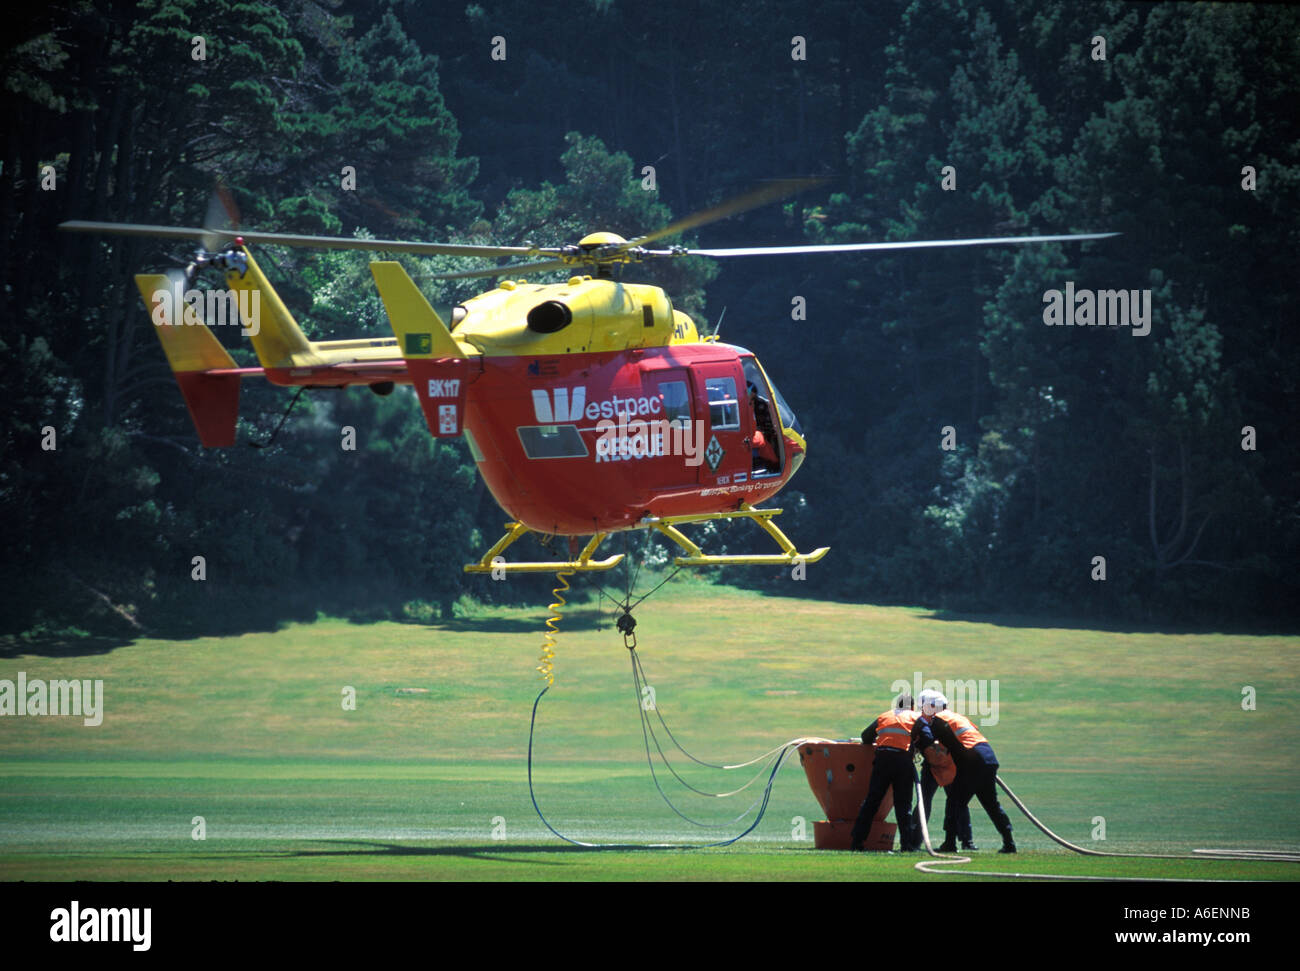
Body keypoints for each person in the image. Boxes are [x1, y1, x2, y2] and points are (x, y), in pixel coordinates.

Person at [926, 699, 1016, 853]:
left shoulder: (938, 720)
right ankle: (1009, 843)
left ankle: (949, 843)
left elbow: (927, 739)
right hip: (988, 757)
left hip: (973, 761)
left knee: (955, 802)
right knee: (991, 804)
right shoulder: (958, 717)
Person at [849, 693, 934, 853]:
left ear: (897, 705)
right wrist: (916, 743)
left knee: (871, 802)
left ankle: (857, 842)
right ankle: (906, 845)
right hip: (903, 762)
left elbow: (865, 736)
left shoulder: (884, 716)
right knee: (903, 805)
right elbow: (928, 738)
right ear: (911, 706)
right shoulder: (915, 717)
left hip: (882, 760)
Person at [912, 690, 976, 850]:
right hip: (941, 765)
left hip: (946, 765)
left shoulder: (928, 722)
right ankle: (966, 841)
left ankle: (913, 842)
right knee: (954, 803)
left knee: (927, 802)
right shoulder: (954, 719)